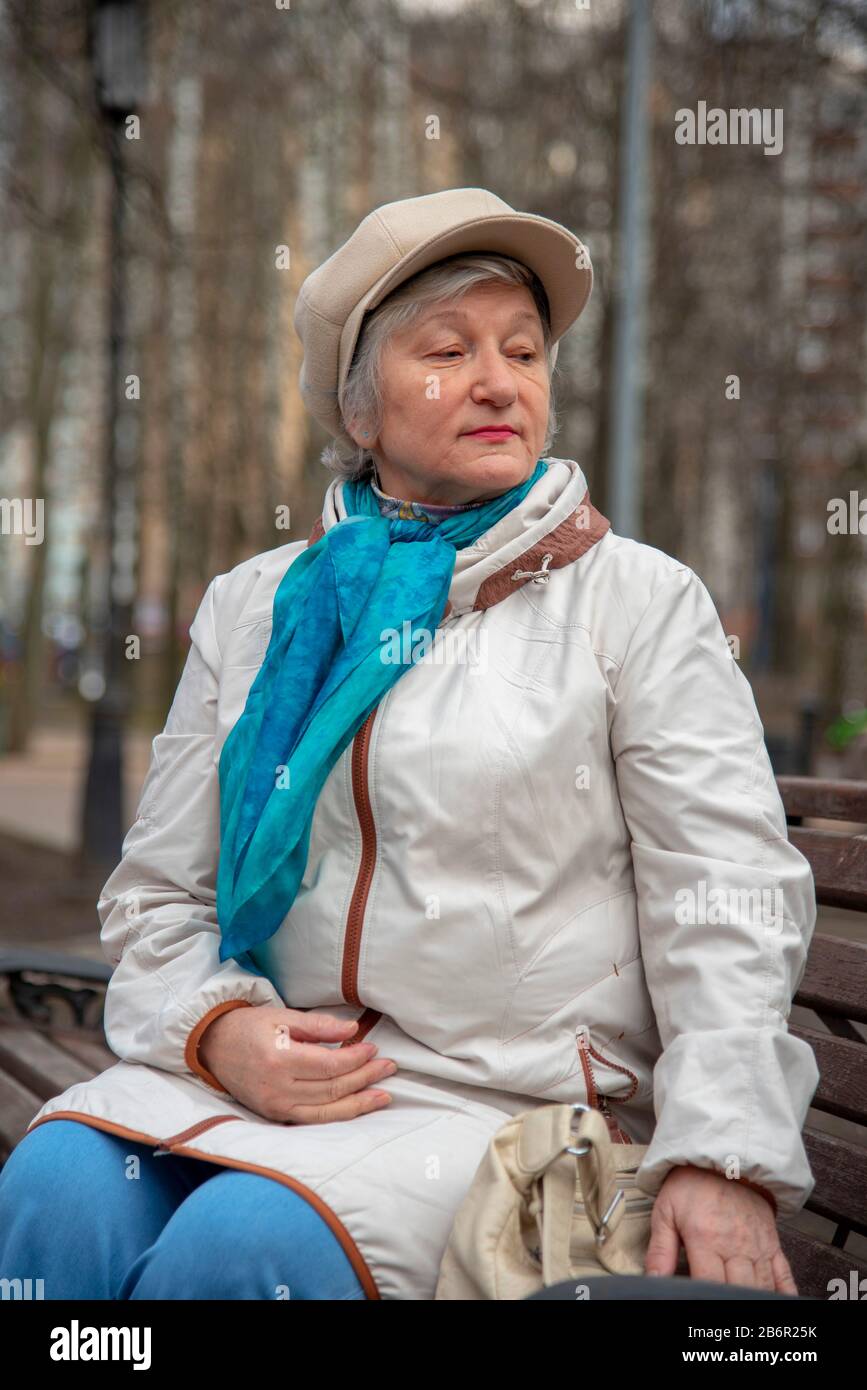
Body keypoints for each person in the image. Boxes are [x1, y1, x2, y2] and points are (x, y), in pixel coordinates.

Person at [0, 188, 819, 1301]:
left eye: (523, 352)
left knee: (240, 1246)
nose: (498, 381)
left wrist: (723, 1153)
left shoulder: (639, 603)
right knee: (55, 1185)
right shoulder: (255, 608)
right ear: (361, 412)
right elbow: (159, 898)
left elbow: (725, 897)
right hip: (267, 1079)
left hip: (509, 1111)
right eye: (448, 350)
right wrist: (219, 1028)